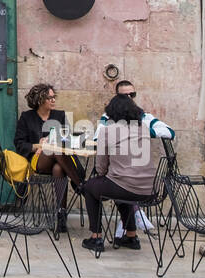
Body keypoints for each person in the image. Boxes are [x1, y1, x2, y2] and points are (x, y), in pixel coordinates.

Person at [93, 79, 174, 236]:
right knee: (120, 177)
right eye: (125, 95)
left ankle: (115, 229)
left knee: (110, 181)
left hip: (128, 174)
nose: (129, 98)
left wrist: (145, 133)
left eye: (132, 94)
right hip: (131, 175)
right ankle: (134, 219)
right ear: (117, 98)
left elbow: (170, 132)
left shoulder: (144, 118)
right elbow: (97, 137)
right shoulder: (108, 117)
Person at [81, 94, 158, 255]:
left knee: (90, 187)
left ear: (112, 112)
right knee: (122, 184)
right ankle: (131, 236)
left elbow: (101, 168)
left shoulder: (108, 131)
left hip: (124, 186)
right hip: (150, 190)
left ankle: (96, 237)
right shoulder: (144, 128)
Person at [14, 83, 83, 232]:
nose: (53, 100)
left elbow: (68, 139)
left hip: (58, 160)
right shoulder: (27, 117)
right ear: (40, 100)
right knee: (54, 150)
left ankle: (60, 215)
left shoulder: (59, 115)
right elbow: (19, 144)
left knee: (58, 168)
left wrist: (57, 141)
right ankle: (80, 183)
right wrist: (38, 146)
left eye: (54, 97)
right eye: (49, 98)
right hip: (37, 160)